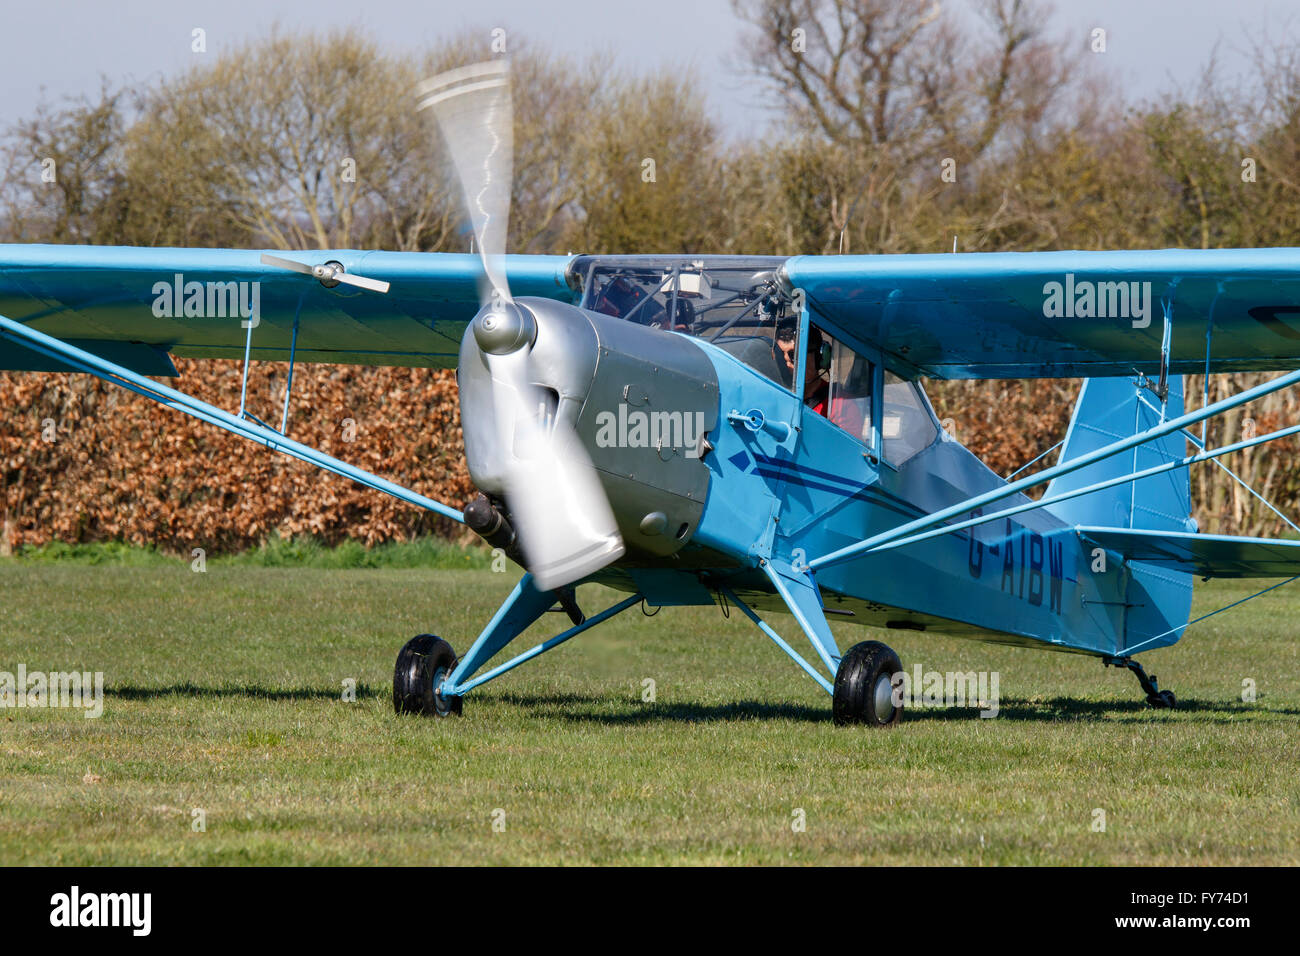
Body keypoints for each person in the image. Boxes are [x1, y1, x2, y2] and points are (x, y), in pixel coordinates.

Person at [776, 324, 865, 438]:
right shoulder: (775, 397)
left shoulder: (841, 405)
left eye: (795, 355)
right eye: (780, 354)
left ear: (820, 357)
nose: (787, 364)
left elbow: (845, 452)